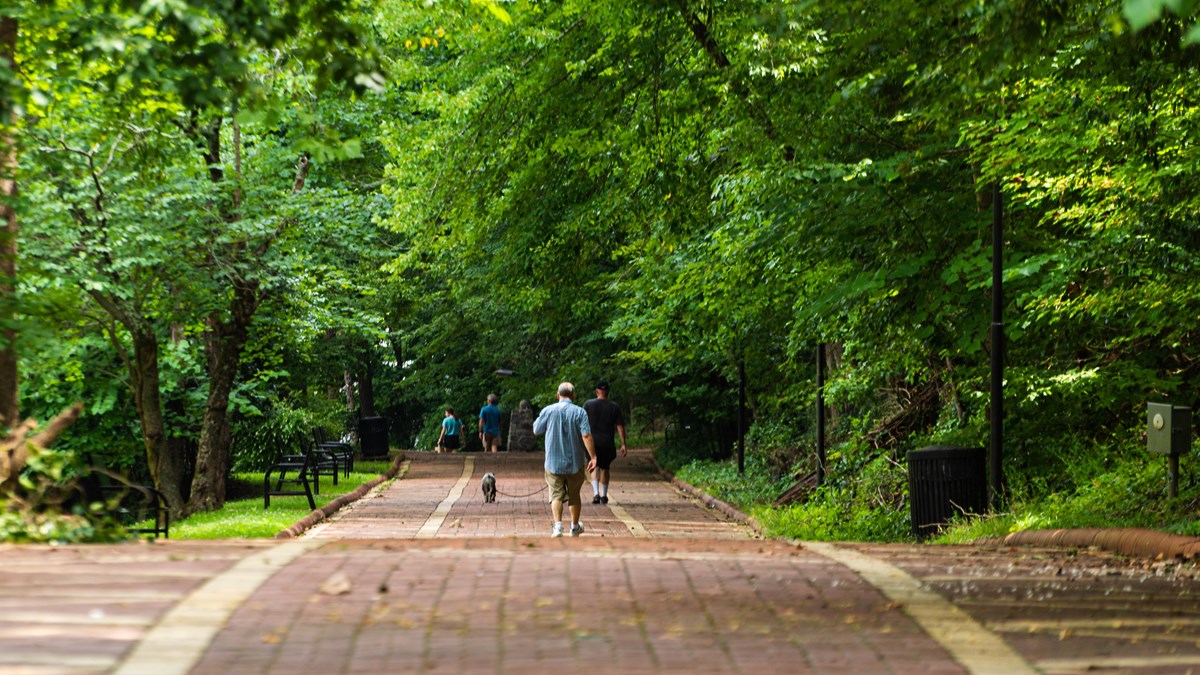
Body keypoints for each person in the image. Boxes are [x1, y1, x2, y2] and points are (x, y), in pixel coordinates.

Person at [532, 382, 596, 537]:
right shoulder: (580, 412)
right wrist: (593, 457)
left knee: (556, 495)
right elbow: (586, 435)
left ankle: (558, 527)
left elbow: (536, 430)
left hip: (553, 462)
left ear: (558, 394)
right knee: (574, 495)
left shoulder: (548, 410)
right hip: (575, 462)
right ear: (573, 395)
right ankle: (574, 527)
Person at [584, 380, 627, 504]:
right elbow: (620, 426)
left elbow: (581, 423)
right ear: (607, 392)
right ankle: (604, 495)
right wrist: (623, 444)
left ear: (597, 391)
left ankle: (595, 493)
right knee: (605, 468)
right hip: (607, 443)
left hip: (592, 443)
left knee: (594, 466)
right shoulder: (614, 407)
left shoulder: (588, 404)